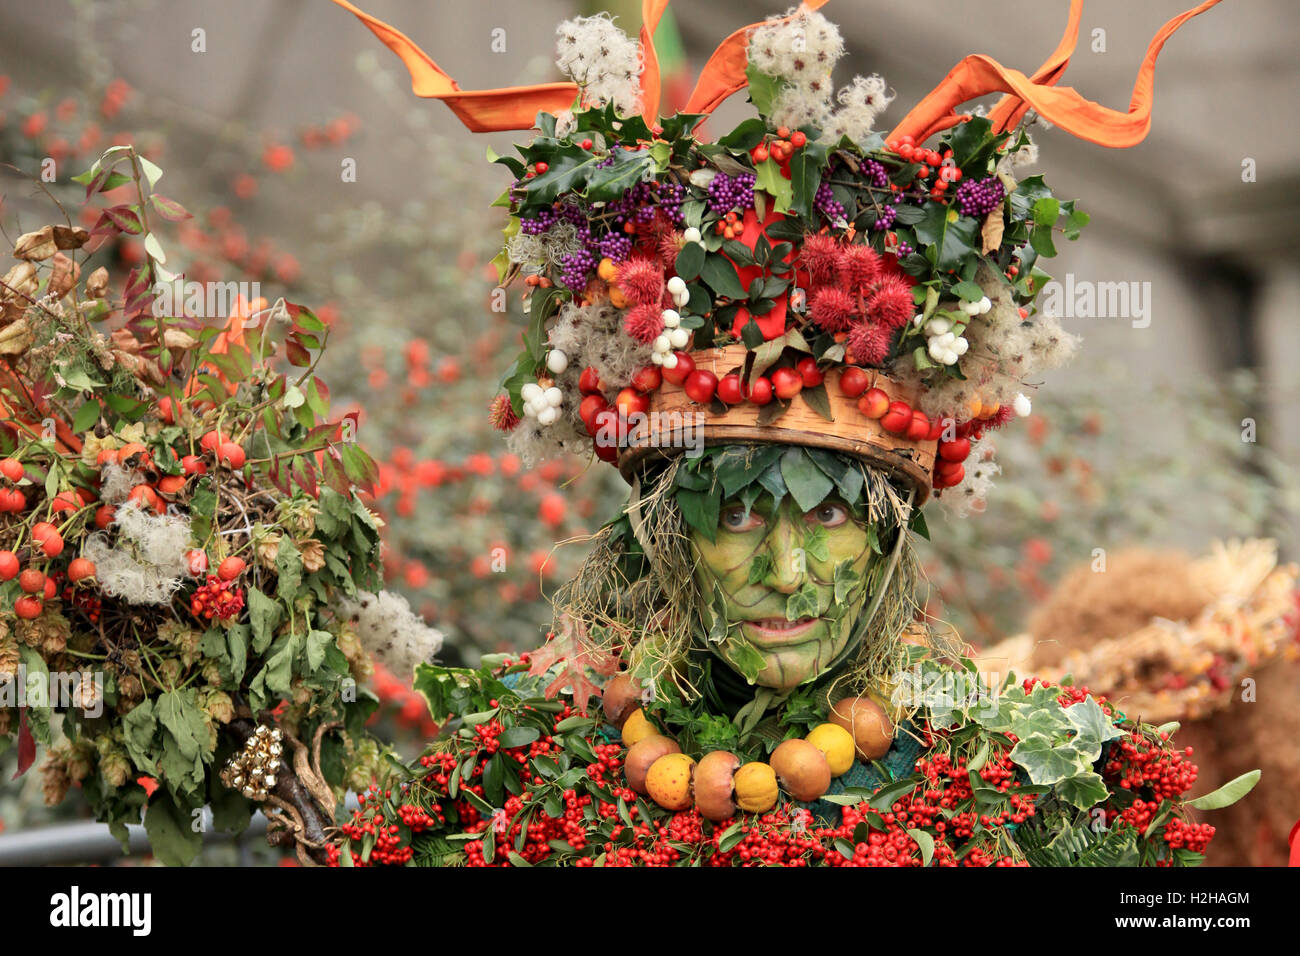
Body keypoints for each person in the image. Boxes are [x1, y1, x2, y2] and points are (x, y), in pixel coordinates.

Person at [328, 0, 1250, 867]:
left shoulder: (1003, 797)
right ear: (663, 537)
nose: (789, 572)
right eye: (733, 519)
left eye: (828, 517)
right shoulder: (523, 781)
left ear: (893, 528)